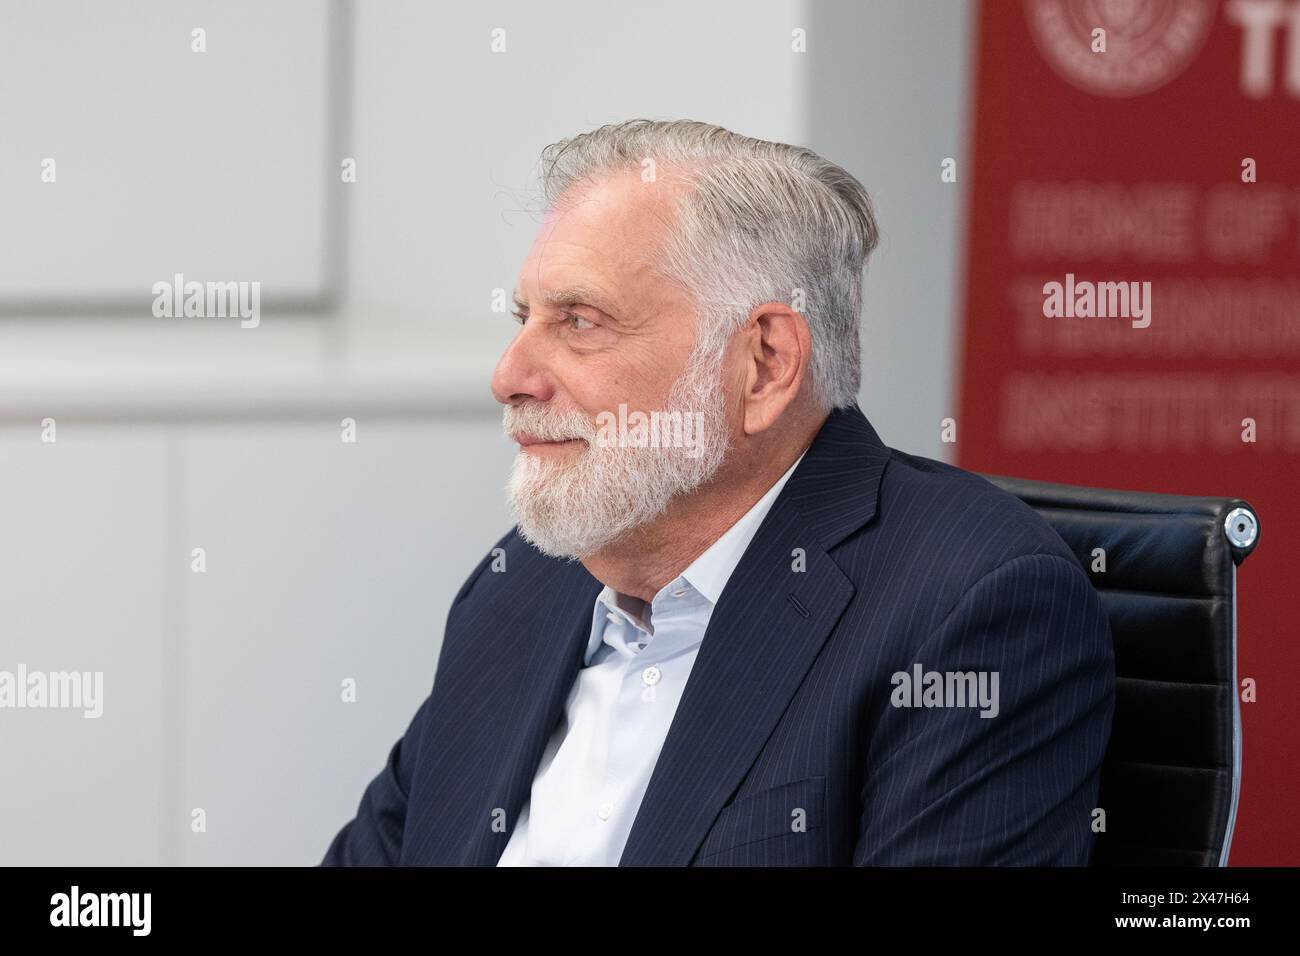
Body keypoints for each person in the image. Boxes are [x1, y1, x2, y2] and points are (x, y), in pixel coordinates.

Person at [322, 119, 1115, 866]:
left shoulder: (969, 609)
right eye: (524, 317)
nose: (508, 377)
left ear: (765, 363)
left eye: (580, 321)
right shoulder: (524, 585)